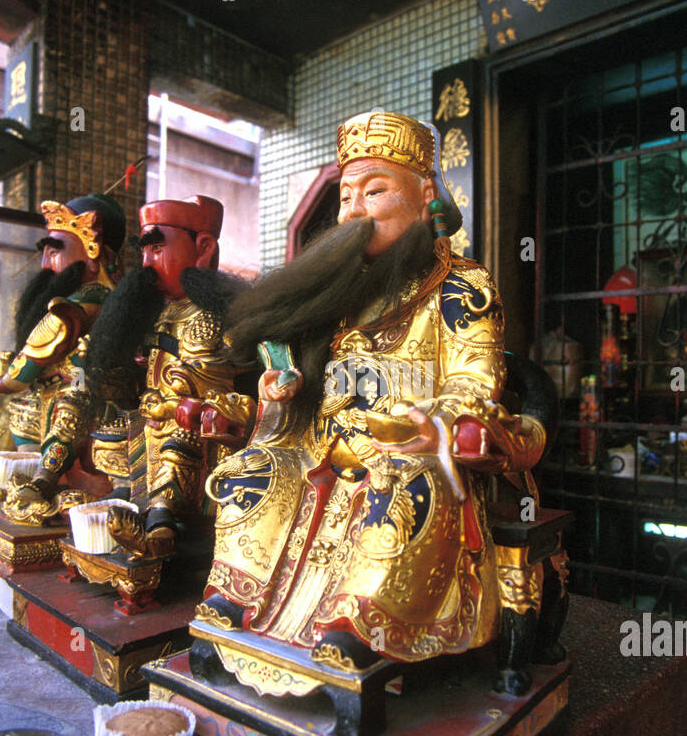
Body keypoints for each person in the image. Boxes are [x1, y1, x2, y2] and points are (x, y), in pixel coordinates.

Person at [196, 110, 545, 671]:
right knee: (258, 466)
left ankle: (360, 621)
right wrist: (279, 396)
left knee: (402, 479)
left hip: (413, 452)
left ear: (425, 193)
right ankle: (235, 597)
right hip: (322, 449)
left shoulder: (462, 287)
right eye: (346, 196)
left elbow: (474, 384)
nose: (354, 210)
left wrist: (428, 421)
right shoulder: (339, 292)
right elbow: (310, 386)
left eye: (375, 191)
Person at [80, 195, 255, 558]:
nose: (146, 263)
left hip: (199, 429)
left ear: (203, 248)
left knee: (179, 445)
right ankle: (128, 499)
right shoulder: (159, 313)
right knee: (111, 432)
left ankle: (160, 528)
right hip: (149, 421)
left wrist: (185, 406)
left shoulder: (225, 315)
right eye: (144, 253)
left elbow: (240, 381)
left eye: (157, 249)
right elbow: (138, 378)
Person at [0, 193, 137, 520]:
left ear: (92, 251)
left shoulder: (92, 296)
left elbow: (55, 332)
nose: (45, 264)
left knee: (73, 400)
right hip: (49, 386)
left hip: (89, 391)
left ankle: (45, 479)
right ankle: (25, 470)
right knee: (26, 405)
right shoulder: (68, 296)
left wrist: (12, 378)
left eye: (56, 251)